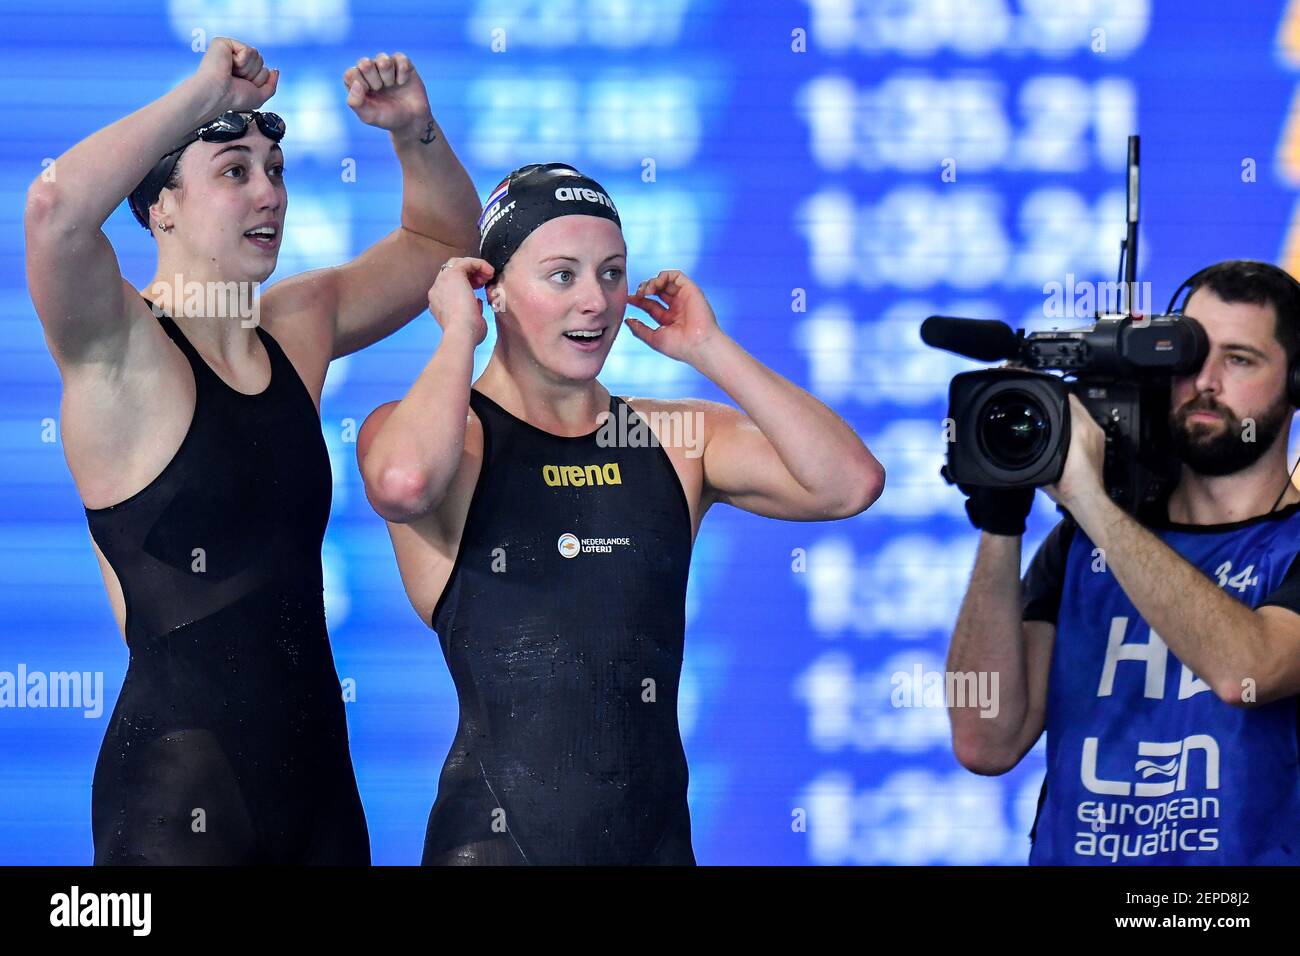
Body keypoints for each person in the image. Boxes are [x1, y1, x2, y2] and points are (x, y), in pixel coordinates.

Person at [23, 36, 481, 864]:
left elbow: (444, 243)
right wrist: (200, 97)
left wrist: (414, 131)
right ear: (159, 206)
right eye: (234, 171)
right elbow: (55, 212)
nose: (268, 192)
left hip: (321, 796)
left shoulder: (296, 329)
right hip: (177, 798)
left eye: (276, 169)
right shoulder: (120, 350)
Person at [356, 162, 885, 864]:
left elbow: (849, 483)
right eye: (561, 275)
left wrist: (710, 350)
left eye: (611, 273)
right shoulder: (450, 441)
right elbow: (402, 483)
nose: (596, 302)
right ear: (495, 288)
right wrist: (459, 334)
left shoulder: (671, 440)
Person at [947, 259, 1300, 865]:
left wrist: (1088, 499)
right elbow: (985, 739)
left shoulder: (1286, 544)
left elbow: (1249, 671)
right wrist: (1001, 520)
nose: (1204, 382)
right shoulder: (1083, 547)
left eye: (1239, 359)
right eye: (1188, 357)